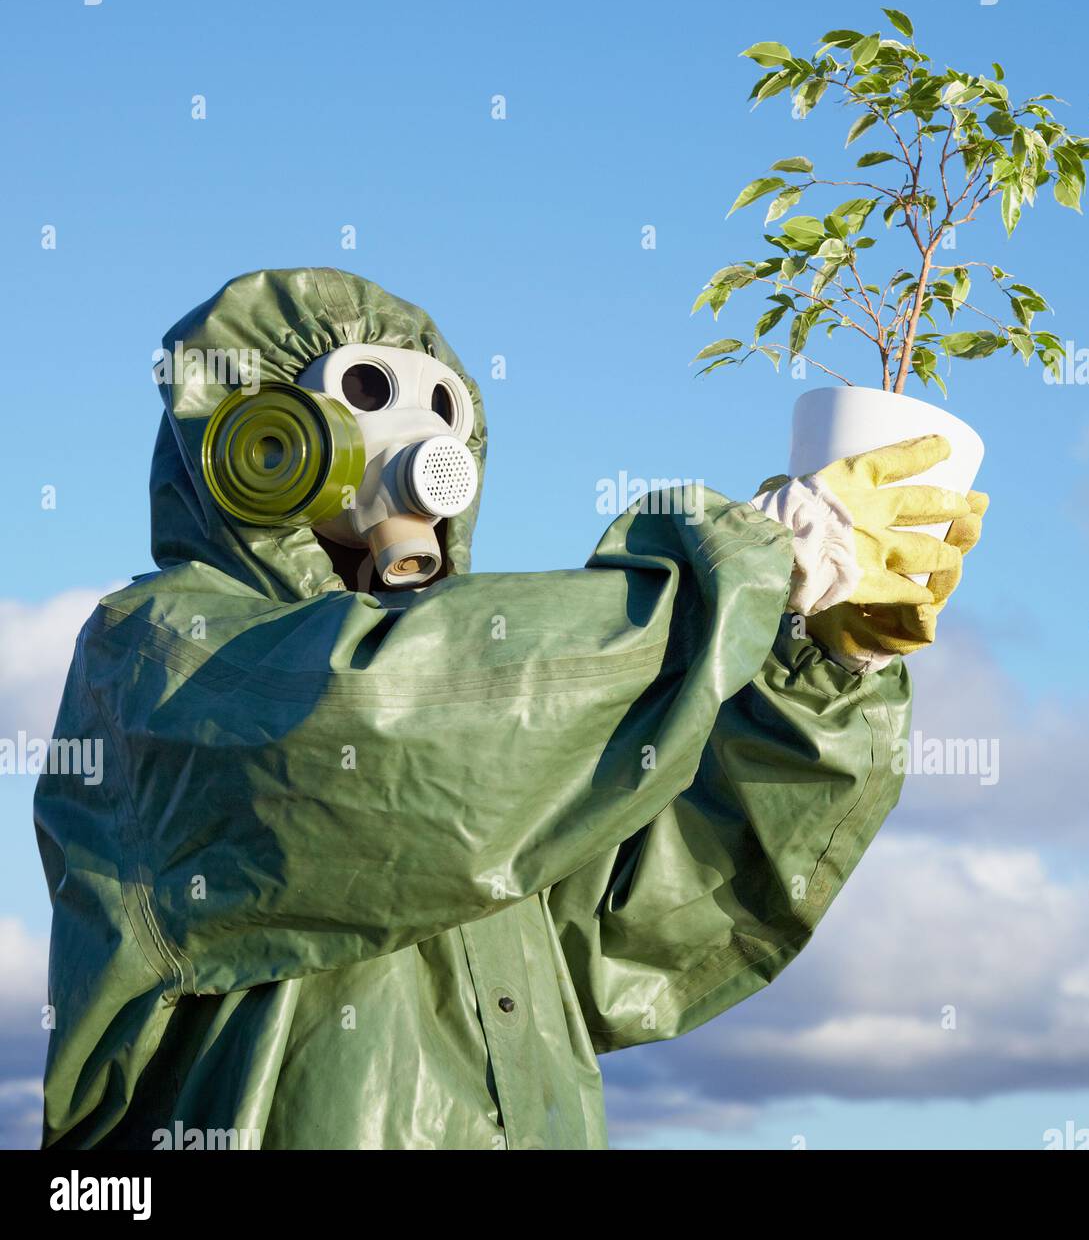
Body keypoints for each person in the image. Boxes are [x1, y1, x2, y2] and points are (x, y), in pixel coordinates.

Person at [35, 267, 985, 1150]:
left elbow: (639, 933)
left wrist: (813, 671)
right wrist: (738, 571)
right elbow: (382, 718)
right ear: (260, 439)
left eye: (443, 408)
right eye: (371, 395)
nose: (423, 439)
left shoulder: (501, 777)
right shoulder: (161, 655)